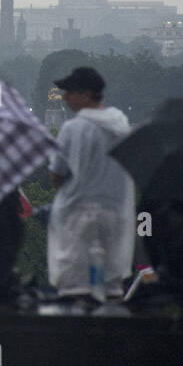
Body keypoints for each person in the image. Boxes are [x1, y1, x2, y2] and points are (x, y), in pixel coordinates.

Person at [47, 66, 135, 300]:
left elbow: (57, 174)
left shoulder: (72, 128)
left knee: (77, 283)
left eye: (70, 93)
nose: (65, 98)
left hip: (80, 211)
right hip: (116, 210)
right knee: (111, 282)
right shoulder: (121, 125)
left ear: (86, 94)